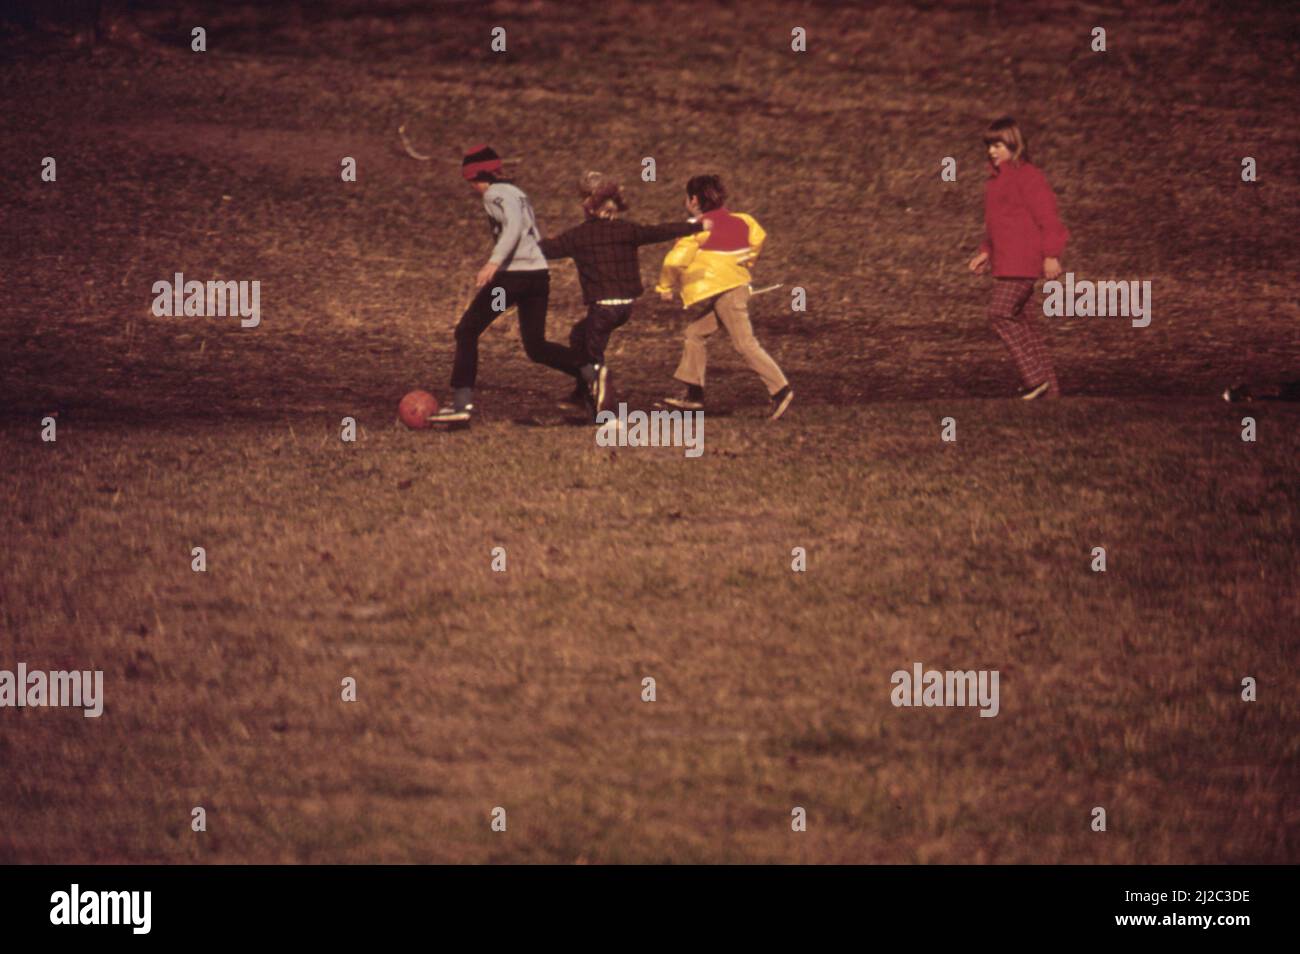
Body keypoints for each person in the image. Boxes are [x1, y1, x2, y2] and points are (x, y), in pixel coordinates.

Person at [430, 145, 582, 427]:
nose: (473, 188)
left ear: (476, 178)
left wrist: (493, 263)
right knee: (536, 346)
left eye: (470, 183)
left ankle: (461, 405)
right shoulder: (517, 193)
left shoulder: (494, 194)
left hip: (512, 280)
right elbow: (528, 231)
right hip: (537, 277)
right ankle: (590, 369)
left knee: (467, 330)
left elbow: (512, 227)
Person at [539, 171, 704, 417]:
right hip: (624, 307)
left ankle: (603, 407)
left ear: (589, 208)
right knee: (579, 335)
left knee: (593, 356)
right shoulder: (627, 230)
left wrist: (520, 243)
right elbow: (659, 231)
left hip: (603, 307)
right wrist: (696, 224)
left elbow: (548, 249)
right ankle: (581, 395)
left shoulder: (578, 236)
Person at [655, 175, 793, 421]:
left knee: (745, 344)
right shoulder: (744, 220)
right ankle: (694, 396)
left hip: (726, 293)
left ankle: (781, 390)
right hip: (734, 288)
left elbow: (674, 260)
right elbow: (758, 237)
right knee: (695, 333)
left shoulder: (696, 228)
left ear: (693, 200)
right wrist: (747, 261)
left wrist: (665, 287)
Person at [968, 117, 1070, 399]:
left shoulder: (1028, 176)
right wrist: (985, 252)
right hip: (1006, 262)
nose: (992, 151)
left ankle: (1036, 380)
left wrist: (1051, 255)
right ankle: (1051, 395)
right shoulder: (995, 182)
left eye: (998, 145)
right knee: (1025, 324)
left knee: (999, 314)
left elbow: (1049, 219)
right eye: (989, 145)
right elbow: (996, 224)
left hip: (1022, 261)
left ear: (1014, 144)